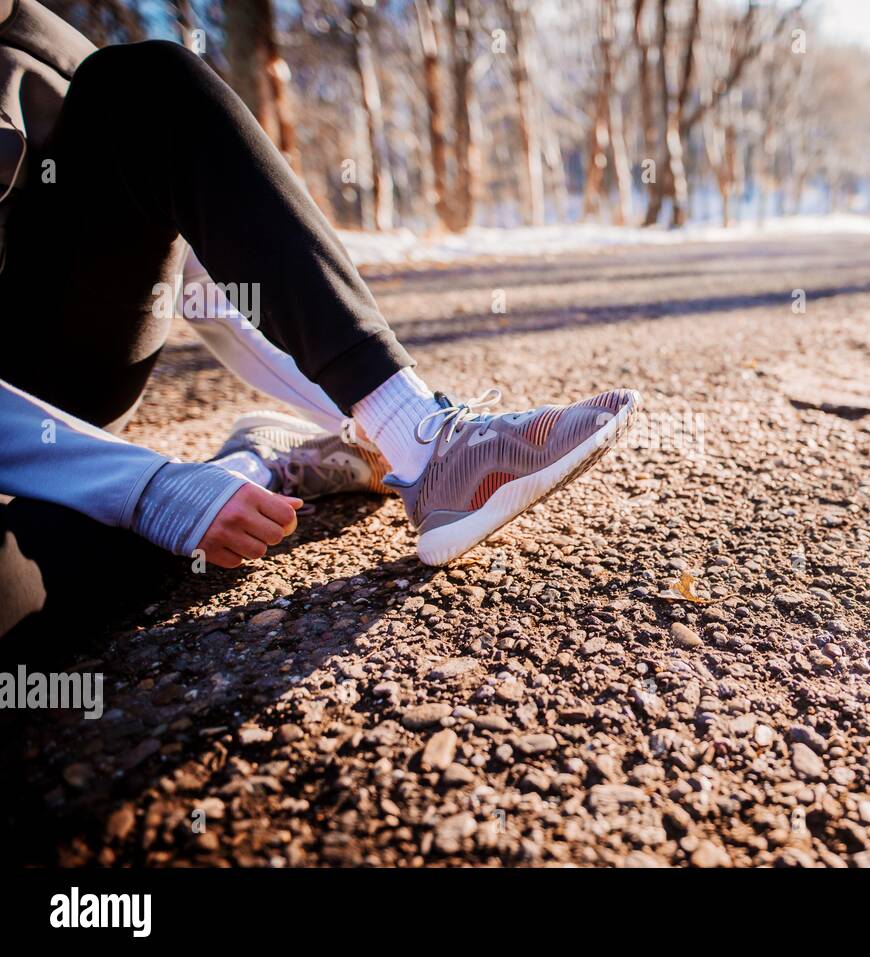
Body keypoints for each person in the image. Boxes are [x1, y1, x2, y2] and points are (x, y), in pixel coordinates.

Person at [0, 0, 639, 640]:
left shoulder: (29, 41)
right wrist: (146, 491)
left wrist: (395, 424)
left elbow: (196, 275)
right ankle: (257, 469)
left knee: (141, 84)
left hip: (52, 375)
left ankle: (430, 453)